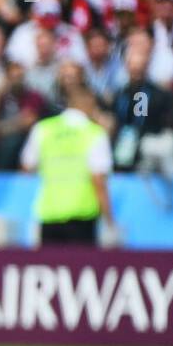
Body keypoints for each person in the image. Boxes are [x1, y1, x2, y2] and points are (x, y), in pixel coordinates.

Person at [20, 85, 116, 246]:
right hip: (82, 214)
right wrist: (109, 220)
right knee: (80, 269)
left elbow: (27, 168)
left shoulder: (43, 129)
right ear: (89, 104)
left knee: (50, 268)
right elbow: (99, 180)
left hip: (49, 213)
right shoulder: (94, 133)